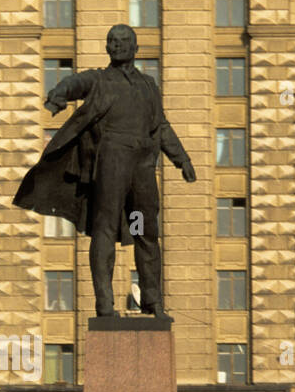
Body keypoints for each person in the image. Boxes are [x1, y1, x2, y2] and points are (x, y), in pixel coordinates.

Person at [14, 24, 196, 319]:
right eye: (112, 41)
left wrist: (181, 159)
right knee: (105, 229)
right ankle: (105, 303)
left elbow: (160, 125)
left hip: (142, 168)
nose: (117, 45)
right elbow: (74, 83)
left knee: (144, 231)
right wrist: (57, 96)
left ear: (136, 48)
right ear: (107, 48)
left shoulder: (148, 86)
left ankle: (152, 300)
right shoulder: (99, 79)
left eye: (123, 41)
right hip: (112, 161)